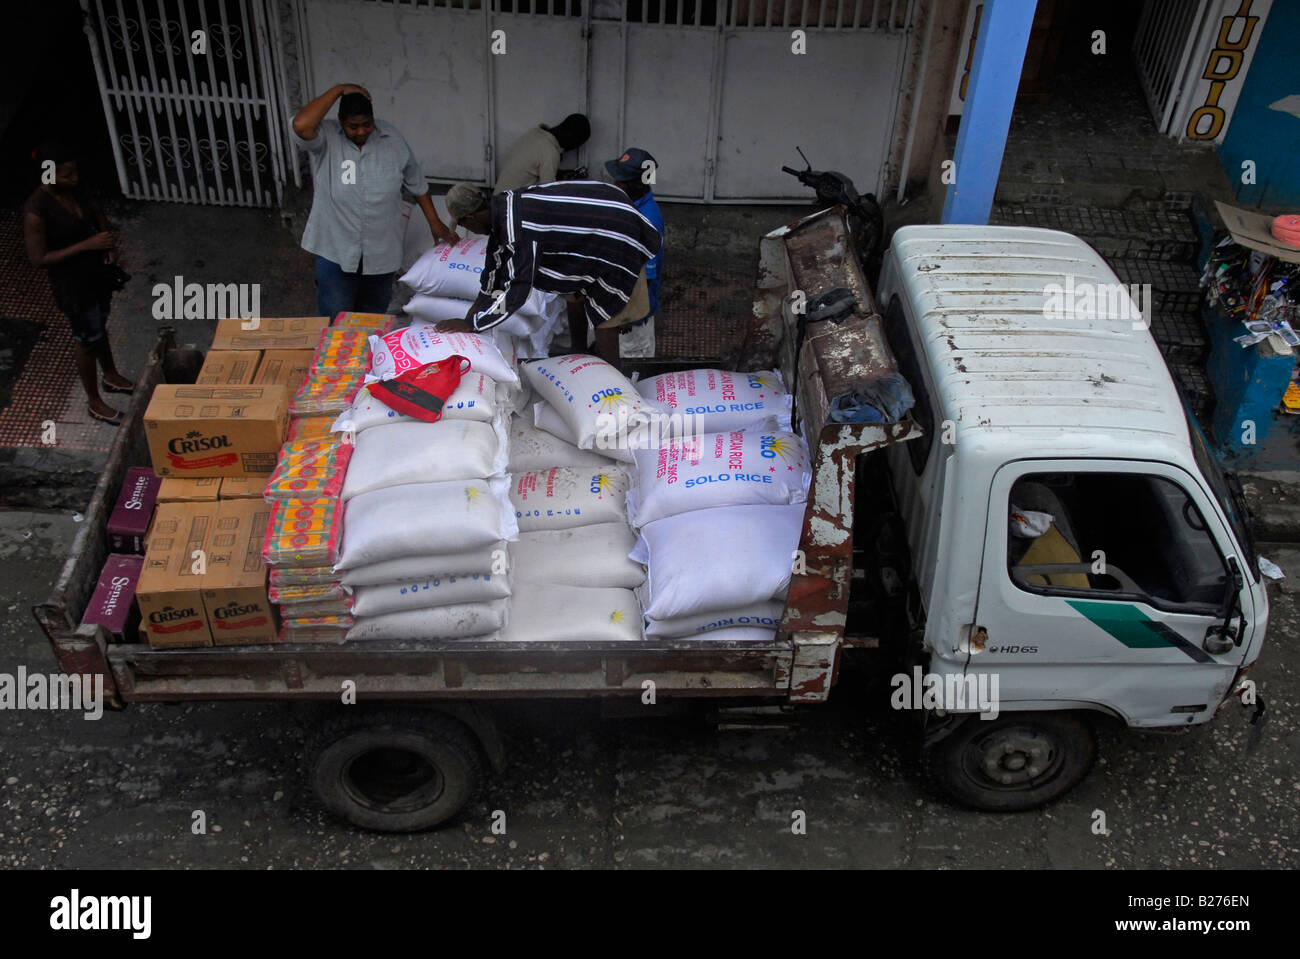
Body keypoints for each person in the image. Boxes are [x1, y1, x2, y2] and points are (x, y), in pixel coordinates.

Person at [437, 180, 661, 368]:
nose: (468, 230)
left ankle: (616, 388)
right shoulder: (502, 206)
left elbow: (516, 291)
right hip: (592, 224)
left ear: (472, 218)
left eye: (464, 225)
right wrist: (474, 311)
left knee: (605, 314)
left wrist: (475, 323)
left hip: (615, 232)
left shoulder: (517, 229)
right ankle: (579, 356)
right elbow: (495, 270)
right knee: (573, 290)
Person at [291, 83, 457, 318]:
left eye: (366, 124)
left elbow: (416, 182)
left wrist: (434, 222)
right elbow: (301, 125)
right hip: (336, 251)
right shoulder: (327, 138)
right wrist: (338, 90)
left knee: (372, 319)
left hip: (381, 252)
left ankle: (367, 355)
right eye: (353, 126)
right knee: (336, 320)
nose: (361, 131)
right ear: (340, 121)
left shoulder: (391, 139)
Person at [23, 143, 134, 425]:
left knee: (100, 327)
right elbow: (39, 258)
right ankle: (94, 401)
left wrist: (107, 241)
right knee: (86, 339)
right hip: (73, 283)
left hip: (98, 274)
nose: (74, 179)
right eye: (66, 175)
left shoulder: (77, 190)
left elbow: (97, 214)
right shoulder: (37, 211)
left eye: (74, 173)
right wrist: (88, 244)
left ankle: (110, 375)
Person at [605, 147, 664, 358]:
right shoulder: (629, 207)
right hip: (618, 312)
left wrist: (627, 315)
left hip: (631, 321)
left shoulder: (647, 221)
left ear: (637, 184)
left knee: (630, 374)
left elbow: (645, 279)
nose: (615, 185)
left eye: (621, 181)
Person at [494, 114, 591, 193]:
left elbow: (532, 171)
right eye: (576, 145)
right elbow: (547, 193)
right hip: (507, 206)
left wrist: (561, 174)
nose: (572, 149)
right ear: (571, 139)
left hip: (499, 197)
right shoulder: (550, 152)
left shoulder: (536, 134)